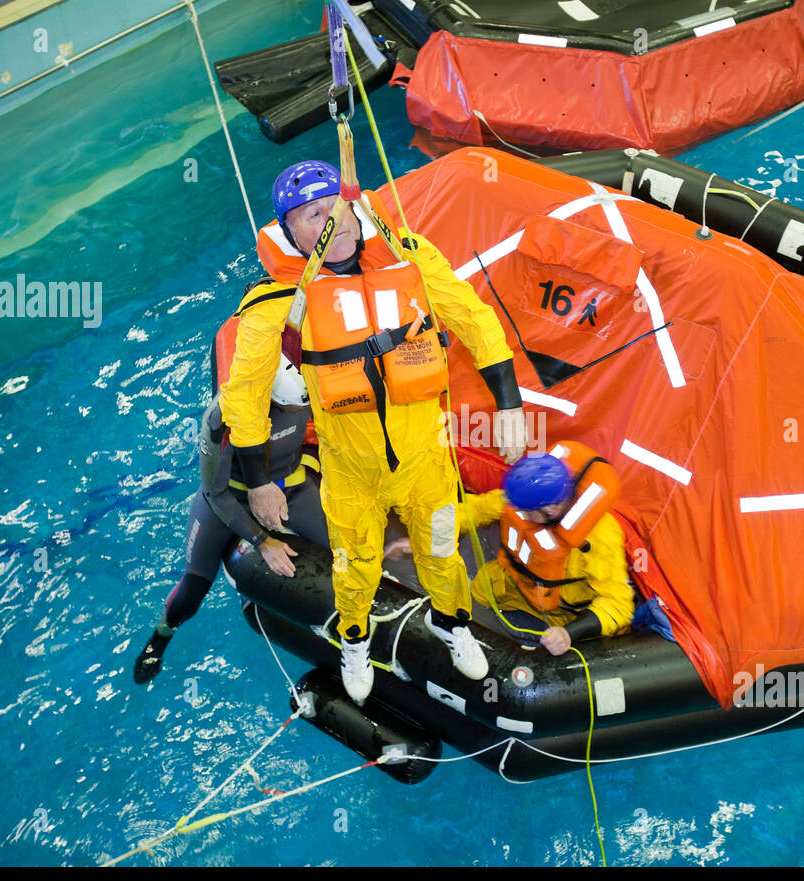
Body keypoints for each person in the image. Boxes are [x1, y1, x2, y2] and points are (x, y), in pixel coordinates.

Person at [219, 160, 527, 704]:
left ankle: (452, 625)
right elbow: (244, 394)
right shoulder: (276, 300)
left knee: (441, 553)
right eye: (312, 216)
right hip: (351, 468)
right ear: (290, 233)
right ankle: (355, 640)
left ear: (357, 208)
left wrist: (508, 404)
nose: (330, 222)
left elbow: (473, 318)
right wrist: (260, 480)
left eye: (336, 207)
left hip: (424, 459)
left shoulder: (410, 257)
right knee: (354, 566)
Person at [134, 306, 328, 684]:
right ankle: (160, 638)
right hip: (230, 500)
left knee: (346, 547)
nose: (299, 411)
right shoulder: (223, 418)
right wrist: (263, 541)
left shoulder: (308, 386)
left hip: (290, 485)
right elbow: (215, 493)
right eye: (292, 406)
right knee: (194, 587)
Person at [390, 442, 635, 655]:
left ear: (550, 509)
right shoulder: (529, 498)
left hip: (562, 617)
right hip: (508, 590)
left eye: (525, 510)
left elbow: (619, 603)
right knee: (470, 601)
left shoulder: (600, 538)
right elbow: (476, 510)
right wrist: (423, 540)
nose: (516, 512)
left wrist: (569, 633)